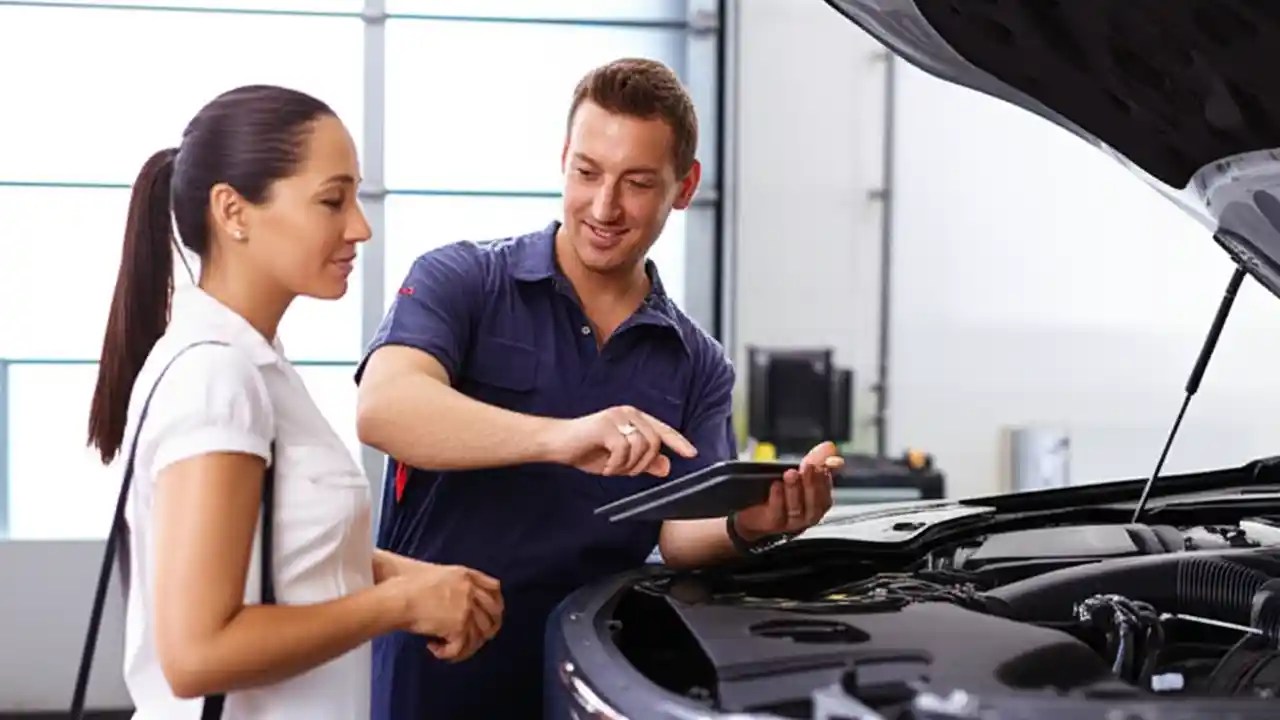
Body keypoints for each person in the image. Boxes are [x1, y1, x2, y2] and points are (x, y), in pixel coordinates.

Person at [355, 58, 840, 719]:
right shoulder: (462, 280)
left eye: (637, 183)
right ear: (563, 159)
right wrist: (561, 437)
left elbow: (681, 533)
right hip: (436, 677)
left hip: (591, 685)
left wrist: (749, 524)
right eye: (587, 173)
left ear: (684, 185)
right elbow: (385, 410)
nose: (604, 207)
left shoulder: (698, 363)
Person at [85, 84, 504, 719]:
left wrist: (405, 576)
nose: (359, 227)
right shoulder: (217, 376)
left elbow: (285, 552)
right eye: (332, 201)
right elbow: (196, 653)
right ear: (232, 211)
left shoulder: (250, 361)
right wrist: (399, 605)